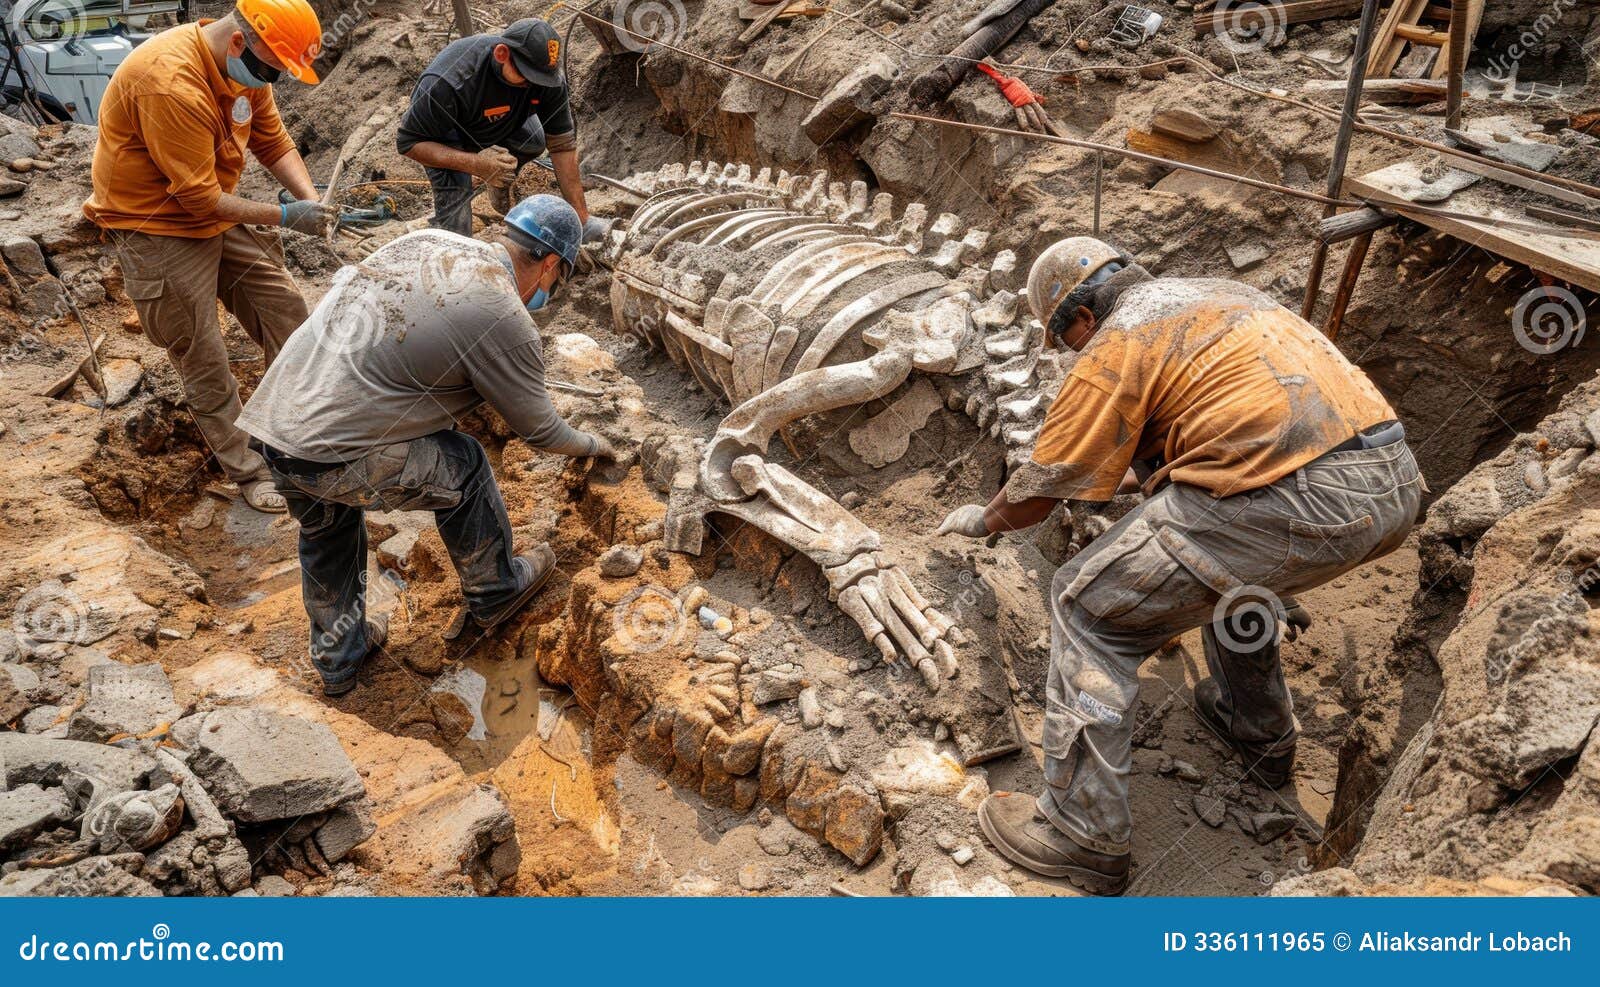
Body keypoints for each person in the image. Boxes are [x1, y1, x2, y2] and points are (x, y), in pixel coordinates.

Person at [938, 237, 1422, 894]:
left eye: (1067, 341)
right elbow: (1219, 434)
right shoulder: (1218, 298)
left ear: (1083, 317)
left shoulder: (1119, 338)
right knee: (1219, 571)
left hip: (1292, 492)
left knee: (1086, 608)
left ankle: (1081, 831)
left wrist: (987, 518)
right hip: (1392, 483)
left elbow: (1042, 488)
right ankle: (1258, 735)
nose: (1074, 354)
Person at [236, 195, 617, 696]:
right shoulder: (504, 314)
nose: (549, 291)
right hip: (332, 453)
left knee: (327, 525)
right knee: (465, 463)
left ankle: (339, 657)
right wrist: (594, 444)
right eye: (557, 280)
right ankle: (496, 590)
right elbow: (540, 430)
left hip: (276, 428)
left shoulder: (427, 240)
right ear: (550, 265)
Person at [83, 0, 334, 513]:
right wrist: (285, 217)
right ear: (239, 42)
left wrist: (311, 203)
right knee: (202, 352)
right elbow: (197, 198)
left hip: (215, 210)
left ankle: (295, 436)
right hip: (156, 224)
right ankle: (249, 469)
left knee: (287, 311)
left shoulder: (244, 68)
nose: (273, 81)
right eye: (273, 70)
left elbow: (273, 142)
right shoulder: (169, 83)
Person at [395, 18, 605, 241]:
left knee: (534, 141)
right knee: (458, 229)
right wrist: (477, 164)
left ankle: (499, 184)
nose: (533, 84)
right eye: (527, 76)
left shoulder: (546, 78)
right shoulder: (446, 82)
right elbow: (409, 143)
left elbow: (562, 145)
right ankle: (441, 235)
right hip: (448, 136)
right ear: (502, 54)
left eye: (540, 78)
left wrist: (581, 219)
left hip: (498, 120)